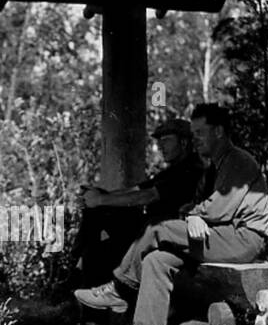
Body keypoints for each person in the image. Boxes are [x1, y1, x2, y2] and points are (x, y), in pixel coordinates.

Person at [73, 104, 268, 325]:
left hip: (242, 237)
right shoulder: (215, 165)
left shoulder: (237, 160)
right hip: (222, 233)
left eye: (201, 132)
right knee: (157, 260)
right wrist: (194, 212)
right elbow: (197, 206)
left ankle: (119, 288)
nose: (196, 138)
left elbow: (219, 208)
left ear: (219, 132)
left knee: (158, 227)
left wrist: (195, 214)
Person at [71, 117, 204, 288]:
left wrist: (101, 200)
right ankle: (78, 259)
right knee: (98, 222)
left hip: (159, 235)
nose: (161, 146)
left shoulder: (189, 170)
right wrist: (99, 195)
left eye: (167, 140)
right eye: (160, 141)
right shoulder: (172, 170)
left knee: (96, 251)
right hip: (147, 227)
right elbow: (135, 190)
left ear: (184, 142)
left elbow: (147, 196)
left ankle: (76, 261)